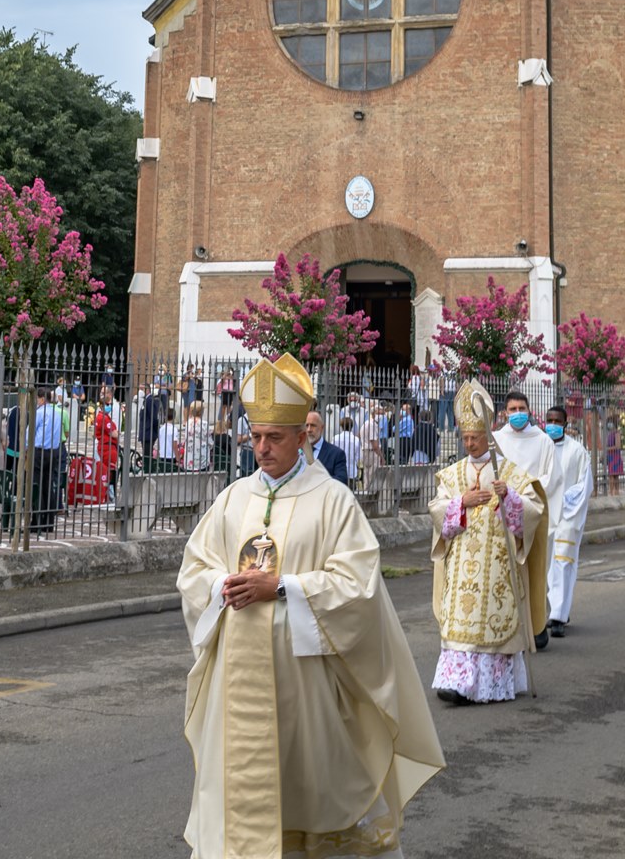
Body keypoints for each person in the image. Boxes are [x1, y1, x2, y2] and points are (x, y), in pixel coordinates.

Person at [177, 350, 443, 857]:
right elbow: (194, 569)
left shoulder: (334, 501)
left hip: (306, 688)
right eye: (254, 437)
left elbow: (358, 585)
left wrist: (281, 587)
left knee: (309, 792)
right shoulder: (232, 499)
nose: (262, 448)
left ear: (304, 437)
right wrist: (223, 585)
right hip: (238, 682)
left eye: (274, 438)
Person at [429, 381, 549, 704]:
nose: (469, 444)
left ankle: (486, 685)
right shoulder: (452, 475)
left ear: (488, 435)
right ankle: (456, 683)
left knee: (492, 624)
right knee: (459, 625)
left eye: (475, 438)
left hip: (496, 570)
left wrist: (509, 497)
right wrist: (462, 503)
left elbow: (533, 509)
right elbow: (437, 510)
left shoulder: (508, 471)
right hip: (461, 569)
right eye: (465, 438)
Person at [494, 389, 562, 648]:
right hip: (503, 510)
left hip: (532, 511)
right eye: (513, 410)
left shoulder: (543, 440)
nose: (518, 414)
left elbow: (551, 476)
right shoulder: (496, 440)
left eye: (522, 409)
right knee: (506, 570)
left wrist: (525, 493)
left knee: (535, 569)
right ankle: (509, 624)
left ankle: (537, 625)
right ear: (505, 412)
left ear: (529, 410)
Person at [544, 405, 592, 636]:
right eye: (549, 420)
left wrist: (568, 508)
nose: (552, 425)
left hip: (566, 516)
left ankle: (558, 617)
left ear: (565, 423)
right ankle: (548, 609)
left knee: (562, 563)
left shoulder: (577, 451)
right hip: (543, 515)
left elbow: (583, 485)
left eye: (557, 421)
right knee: (544, 566)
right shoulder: (540, 448)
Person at [31, 385, 66, 533]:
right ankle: (49, 522)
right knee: (49, 485)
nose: (37, 402)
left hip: (40, 451)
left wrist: (26, 446)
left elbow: (30, 432)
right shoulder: (58, 413)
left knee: (37, 486)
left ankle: (37, 520)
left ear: (42, 399)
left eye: (38, 399)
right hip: (54, 451)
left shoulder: (40, 413)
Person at [305, 411, 349, 481]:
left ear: (322, 428)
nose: (309, 430)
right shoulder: (296, 452)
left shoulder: (336, 454)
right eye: (306, 425)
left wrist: (317, 481)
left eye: (313, 425)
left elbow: (342, 480)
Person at [332, 415, 363, 481]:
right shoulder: (356, 440)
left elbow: (332, 454)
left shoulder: (335, 438)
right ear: (352, 426)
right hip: (352, 471)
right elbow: (359, 457)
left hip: (338, 471)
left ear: (341, 426)